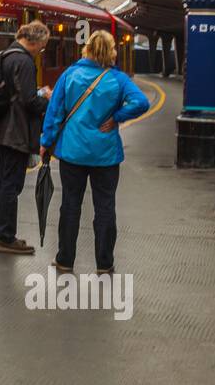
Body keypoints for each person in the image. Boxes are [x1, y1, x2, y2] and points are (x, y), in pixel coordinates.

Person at [40, 29, 149, 274]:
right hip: (105, 155)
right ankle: (104, 263)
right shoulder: (118, 80)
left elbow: (54, 113)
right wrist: (117, 117)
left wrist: (46, 142)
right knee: (105, 207)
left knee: (70, 205)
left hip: (72, 153)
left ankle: (65, 260)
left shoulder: (70, 75)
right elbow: (141, 102)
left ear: (86, 48)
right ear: (111, 52)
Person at [0, 21, 52, 255]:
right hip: (16, 133)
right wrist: (48, 99)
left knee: (4, 184)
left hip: (4, 130)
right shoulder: (23, 61)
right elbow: (28, 101)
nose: (40, 50)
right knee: (10, 185)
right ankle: (5, 237)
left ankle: (3, 235)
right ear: (34, 40)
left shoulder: (6, 55)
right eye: (42, 46)